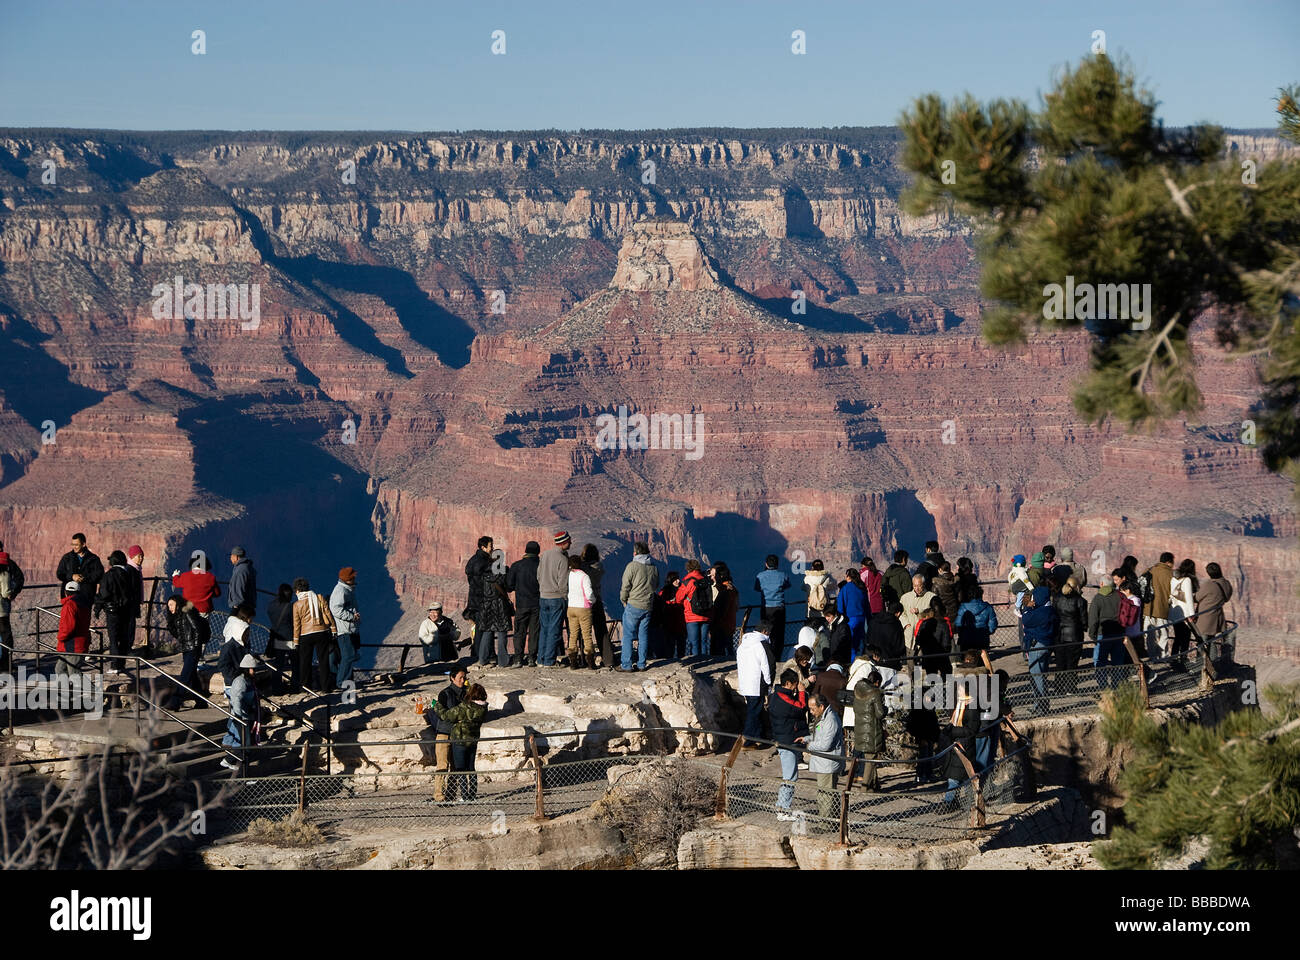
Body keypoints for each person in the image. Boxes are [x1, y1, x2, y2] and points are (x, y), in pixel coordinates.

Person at [429, 682, 488, 803]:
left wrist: (436, 705)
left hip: (459, 740)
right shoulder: (483, 708)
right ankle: (472, 795)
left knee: (460, 769)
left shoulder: (465, 707)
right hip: (472, 741)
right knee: (471, 768)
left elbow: (446, 716)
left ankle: (464, 796)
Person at [768, 669, 808, 821]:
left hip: (785, 738)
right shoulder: (782, 698)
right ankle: (783, 810)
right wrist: (802, 693)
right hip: (786, 741)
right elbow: (800, 707)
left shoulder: (777, 695)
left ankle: (781, 806)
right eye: (795, 684)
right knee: (790, 777)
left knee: (790, 775)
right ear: (788, 683)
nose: (797, 687)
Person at [425, 665, 467, 803]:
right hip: (444, 733)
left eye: (464, 677)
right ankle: (439, 794)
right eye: (460, 677)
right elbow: (442, 713)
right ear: (452, 678)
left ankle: (451, 793)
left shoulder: (466, 693)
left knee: (455, 765)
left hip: (458, 734)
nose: (463, 680)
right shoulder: (445, 693)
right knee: (442, 764)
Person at [803, 693, 844, 826]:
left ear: (821, 706)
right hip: (823, 763)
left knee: (825, 795)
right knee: (829, 793)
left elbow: (826, 745)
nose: (811, 711)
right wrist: (807, 738)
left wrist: (810, 746)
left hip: (827, 763)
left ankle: (826, 824)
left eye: (813, 708)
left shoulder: (830, 720)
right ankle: (835, 820)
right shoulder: (823, 717)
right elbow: (819, 735)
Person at [94, 550, 136, 675]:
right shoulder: (130, 574)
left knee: (113, 638)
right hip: (127, 610)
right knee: (123, 637)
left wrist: (97, 607)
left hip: (113, 612)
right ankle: (121, 664)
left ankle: (114, 665)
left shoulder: (109, 575)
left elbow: (104, 593)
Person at [619, 541, 659, 672]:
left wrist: (623, 599)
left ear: (636, 553)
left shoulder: (632, 566)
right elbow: (656, 585)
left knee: (628, 636)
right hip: (648, 606)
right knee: (643, 635)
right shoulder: (653, 567)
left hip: (634, 605)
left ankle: (627, 664)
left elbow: (625, 586)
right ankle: (642, 664)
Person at [292, 577, 337, 693]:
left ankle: (306, 688)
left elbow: (297, 625)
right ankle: (326, 687)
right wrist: (333, 629)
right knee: (323, 661)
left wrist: (296, 641)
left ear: (297, 590)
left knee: (305, 662)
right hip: (321, 632)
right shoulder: (318, 598)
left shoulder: (297, 605)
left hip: (305, 635)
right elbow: (328, 613)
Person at [941, 682, 983, 806]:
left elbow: (971, 730)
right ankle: (958, 801)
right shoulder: (961, 704)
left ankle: (949, 802)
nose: (958, 692)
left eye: (960, 690)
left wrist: (952, 731)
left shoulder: (972, 707)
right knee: (956, 776)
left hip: (965, 745)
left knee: (955, 778)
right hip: (958, 744)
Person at [166, 592, 210, 708]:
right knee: (192, 675)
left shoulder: (187, 612)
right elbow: (180, 634)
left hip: (193, 649)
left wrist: (196, 646)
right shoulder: (178, 615)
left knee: (185, 675)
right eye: (168, 605)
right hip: (187, 648)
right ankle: (201, 702)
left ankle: (175, 701)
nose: (169, 607)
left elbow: (197, 629)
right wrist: (170, 624)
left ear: (177, 603)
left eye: (171, 604)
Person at [1020, 585, 1058, 714]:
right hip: (1045, 645)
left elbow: (1026, 619)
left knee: (1037, 676)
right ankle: (1039, 705)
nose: (1033, 600)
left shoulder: (1043, 612)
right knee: (1040, 675)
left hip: (1039, 646)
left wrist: (1027, 608)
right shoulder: (1048, 609)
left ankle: (1041, 706)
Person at [220, 653, 261, 770]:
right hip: (241, 717)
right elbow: (236, 699)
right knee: (246, 745)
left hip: (246, 716)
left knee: (246, 745)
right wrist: (238, 716)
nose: (255, 671)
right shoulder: (240, 682)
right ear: (247, 669)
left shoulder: (248, 681)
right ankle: (243, 771)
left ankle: (229, 760)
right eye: (253, 669)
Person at [737, 618, 773, 748]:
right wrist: (769, 683)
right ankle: (747, 740)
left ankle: (758, 736)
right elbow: (765, 666)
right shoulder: (759, 645)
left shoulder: (742, 644)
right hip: (756, 684)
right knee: (754, 711)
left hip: (745, 684)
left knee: (753, 709)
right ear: (764, 631)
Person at [537, 532, 571, 667]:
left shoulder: (545, 555)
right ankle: (549, 661)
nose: (571, 542)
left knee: (544, 629)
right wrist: (564, 596)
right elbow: (563, 581)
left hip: (543, 596)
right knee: (554, 630)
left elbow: (538, 575)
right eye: (569, 540)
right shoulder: (562, 559)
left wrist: (543, 589)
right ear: (564, 542)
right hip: (556, 598)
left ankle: (541, 659)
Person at [505, 541, 541, 667]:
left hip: (522, 604)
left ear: (526, 551)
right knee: (534, 632)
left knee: (519, 631)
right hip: (537, 604)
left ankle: (518, 659)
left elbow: (509, 586)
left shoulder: (516, 566)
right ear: (537, 552)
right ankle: (532, 658)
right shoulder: (541, 565)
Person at [579, 544, 613, 670]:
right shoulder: (599, 566)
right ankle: (608, 659)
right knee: (601, 631)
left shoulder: (583, 568)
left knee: (584, 632)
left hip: (584, 602)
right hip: (597, 601)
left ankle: (584, 659)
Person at [851, 670, 885, 792]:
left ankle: (873, 786)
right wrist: (885, 707)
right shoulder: (875, 693)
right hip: (872, 731)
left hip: (860, 730)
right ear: (876, 683)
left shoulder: (858, 692)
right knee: (870, 761)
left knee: (870, 759)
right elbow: (880, 713)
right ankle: (865, 788)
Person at [1052, 576, 1088, 689]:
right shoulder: (1080, 601)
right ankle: (1070, 687)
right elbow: (1084, 619)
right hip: (1074, 635)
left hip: (1059, 635)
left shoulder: (1056, 598)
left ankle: (1058, 687)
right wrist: (1084, 627)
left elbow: (1054, 615)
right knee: (1072, 662)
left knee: (1060, 662)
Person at [1087, 577, 1125, 682]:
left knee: (1100, 661)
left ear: (1102, 584)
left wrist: (1092, 635)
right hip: (1118, 633)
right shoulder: (1120, 596)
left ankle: (1103, 686)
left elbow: (1093, 619)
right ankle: (1116, 685)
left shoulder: (1098, 598)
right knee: (1117, 662)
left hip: (1102, 634)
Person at [330, 567, 361, 688]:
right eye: (352, 577)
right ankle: (342, 683)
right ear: (347, 579)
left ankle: (346, 682)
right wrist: (351, 617)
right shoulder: (341, 591)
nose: (354, 578)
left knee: (350, 656)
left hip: (350, 629)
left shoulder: (348, 589)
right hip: (344, 630)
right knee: (348, 656)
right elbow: (335, 609)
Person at [955, 583, 996, 672]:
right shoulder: (988, 607)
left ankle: (968, 684)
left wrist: (963, 634)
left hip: (966, 641)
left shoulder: (963, 607)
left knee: (967, 663)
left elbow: (958, 624)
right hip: (982, 640)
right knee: (982, 664)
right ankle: (982, 684)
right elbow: (993, 625)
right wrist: (985, 632)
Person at [755, 555, 791, 660]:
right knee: (778, 634)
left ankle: (766, 656)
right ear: (777, 564)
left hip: (766, 608)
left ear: (766, 564)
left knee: (764, 632)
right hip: (779, 608)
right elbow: (787, 586)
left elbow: (757, 588)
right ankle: (777, 657)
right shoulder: (783, 575)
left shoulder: (760, 576)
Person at [1141, 552, 1176, 658]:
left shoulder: (1150, 570)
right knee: (1164, 633)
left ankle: (1151, 655)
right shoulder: (1170, 573)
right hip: (1162, 606)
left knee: (1149, 633)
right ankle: (1161, 655)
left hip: (1148, 606)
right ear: (1169, 562)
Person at [566, 555, 597, 670]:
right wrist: (593, 601)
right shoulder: (584, 576)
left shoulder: (569, 575)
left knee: (573, 635)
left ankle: (573, 662)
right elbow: (589, 593)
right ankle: (590, 663)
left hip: (571, 607)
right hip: (583, 608)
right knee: (586, 635)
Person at [218, 604, 254, 702]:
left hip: (239, 674)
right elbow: (223, 664)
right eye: (251, 618)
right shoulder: (232, 644)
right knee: (238, 702)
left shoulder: (233, 623)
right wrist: (236, 675)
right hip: (234, 678)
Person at [676, 560, 712, 658]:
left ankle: (697, 664)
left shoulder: (688, 581)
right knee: (704, 643)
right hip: (705, 615)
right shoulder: (705, 580)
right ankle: (706, 661)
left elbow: (678, 598)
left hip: (692, 616)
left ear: (688, 569)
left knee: (694, 643)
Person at [55, 581, 91, 677]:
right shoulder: (84, 603)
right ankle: (65, 691)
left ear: (65, 592)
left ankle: (93, 691)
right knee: (60, 669)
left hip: (72, 644)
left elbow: (68, 627)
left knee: (74, 674)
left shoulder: (69, 605)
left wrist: (60, 638)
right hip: (76, 643)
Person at [1168, 559, 1198, 668]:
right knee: (1185, 637)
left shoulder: (1173, 578)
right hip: (1185, 613)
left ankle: (1173, 659)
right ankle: (1183, 660)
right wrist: (1191, 615)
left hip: (1175, 612)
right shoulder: (1187, 580)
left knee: (1177, 637)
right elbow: (1189, 599)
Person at [265, 583, 296, 688]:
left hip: (277, 637)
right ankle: (295, 686)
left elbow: (269, 613)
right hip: (290, 638)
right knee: (295, 663)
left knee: (278, 664)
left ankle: (276, 687)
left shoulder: (271, 605)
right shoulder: (291, 607)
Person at [0, 543, 25, 673]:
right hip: (1, 611)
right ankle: (5, 665)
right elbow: (6, 592)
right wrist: (12, 592)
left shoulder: (7, 563)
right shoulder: (4, 568)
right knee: (6, 638)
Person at [835, 568, 869, 660]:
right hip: (862, 619)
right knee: (860, 643)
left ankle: (852, 663)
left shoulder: (845, 588)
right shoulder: (861, 587)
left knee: (851, 644)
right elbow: (867, 605)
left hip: (850, 619)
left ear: (848, 576)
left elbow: (840, 607)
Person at [1194, 562, 1233, 639]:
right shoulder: (1227, 584)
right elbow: (1227, 599)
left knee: (1203, 644)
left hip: (1205, 620)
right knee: (1212, 643)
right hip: (1218, 620)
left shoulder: (1209, 584)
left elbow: (1196, 598)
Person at [900, 574, 936, 654]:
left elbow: (934, 612)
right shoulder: (905, 597)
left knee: (922, 657)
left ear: (924, 584)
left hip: (925, 632)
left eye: (919, 586)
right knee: (910, 657)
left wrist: (920, 611)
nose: (917, 589)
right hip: (910, 632)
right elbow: (901, 613)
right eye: (915, 586)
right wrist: (906, 624)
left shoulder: (931, 597)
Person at [709, 564, 739, 658]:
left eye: (715, 575)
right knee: (729, 647)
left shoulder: (725, 591)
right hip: (730, 623)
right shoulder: (733, 589)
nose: (713, 578)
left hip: (721, 625)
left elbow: (721, 610)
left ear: (721, 576)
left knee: (718, 651)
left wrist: (714, 623)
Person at [655, 572, 686, 660]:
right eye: (675, 579)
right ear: (671, 580)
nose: (678, 581)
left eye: (678, 579)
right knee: (669, 646)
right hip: (668, 623)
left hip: (680, 622)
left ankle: (684, 662)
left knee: (681, 646)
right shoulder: (664, 592)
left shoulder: (682, 590)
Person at [419, 601, 461, 666]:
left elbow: (457, 631)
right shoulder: (425, 624)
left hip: (451, 655)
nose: (432, 615)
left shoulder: (448, 621)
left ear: (441, 612)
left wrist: (451, 635)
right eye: (431, 612)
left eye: (435, 612)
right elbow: (422, 638)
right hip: (434, 658)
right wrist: (438, 638)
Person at [464, 535, 495, 619]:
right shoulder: (482, 561)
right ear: (483, 547)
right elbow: (481, 579)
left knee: (478, 625)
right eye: (490, 546)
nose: (492, 548)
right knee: (481, 626)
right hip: (481, 599)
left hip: (474, 599)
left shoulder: (474, 558)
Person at [870, 601, 907, 670]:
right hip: (890, 662)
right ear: (898, 613)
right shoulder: (896, 623)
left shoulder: (875, 620)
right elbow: (899, 644)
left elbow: (869, 638)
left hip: (875, 659)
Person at [227, 546, 257, 616]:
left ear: (236, 557)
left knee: (233, 624)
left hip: (240, 608)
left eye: (231, 556)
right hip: (247, 606)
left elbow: (239, 587)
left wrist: (236, 606)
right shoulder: (248, 567)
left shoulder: (241, 570)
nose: (230, 558)